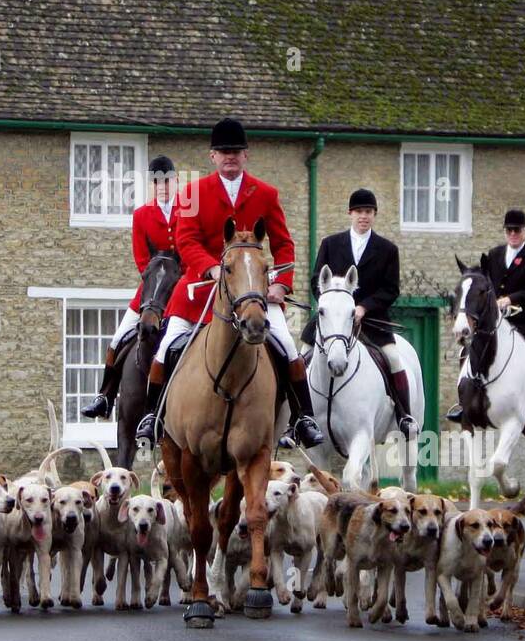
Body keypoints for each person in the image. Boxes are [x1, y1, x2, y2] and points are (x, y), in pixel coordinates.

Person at [134, 118, 324, 448]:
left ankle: (302, 418)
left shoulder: (265, 193)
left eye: (235, 151)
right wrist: (211, 269)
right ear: (212, 156)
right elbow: (186, 239)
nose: (229, 157)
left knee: (287, 345)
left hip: (253, 292)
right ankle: (152, 417)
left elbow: (283, 245)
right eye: (223, 152)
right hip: (200, 290)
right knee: (167, 347)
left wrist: (281, 284)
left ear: (246, 155)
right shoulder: (193, 192)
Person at [304, 188, 416, 438]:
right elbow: (315, 281)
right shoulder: (330, 244)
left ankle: (404, 415)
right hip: (333, 319)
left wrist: (364, 307)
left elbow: (391, 289)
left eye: (368, 212)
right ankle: (299, 418)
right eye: (359, 212)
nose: (363, 216)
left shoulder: (388, 249)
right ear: (350, 214)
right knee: (301, 357)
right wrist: (334, 302)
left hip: (372, 320)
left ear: (374, 215)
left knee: (395, 359)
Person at [447, 209, 525, 423]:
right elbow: (483, 286)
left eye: (517, 230)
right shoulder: (493, 255)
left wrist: (510, 299)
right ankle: (464, 401)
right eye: (509, 230)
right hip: (499, 322)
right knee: (467, 350)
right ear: (505, 232)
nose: (513, 234)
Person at [80, 156, 180, 420]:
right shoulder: (142, 215)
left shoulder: (189, 212)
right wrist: (154, 290)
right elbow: (141, 259)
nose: (162, 187)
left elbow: (192, 251)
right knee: (118, 339)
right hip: (150, 292)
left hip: (181, 289)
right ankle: (105, 396)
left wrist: (178, 285)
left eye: (167, 181)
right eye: (157, 182)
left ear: (176, 181)